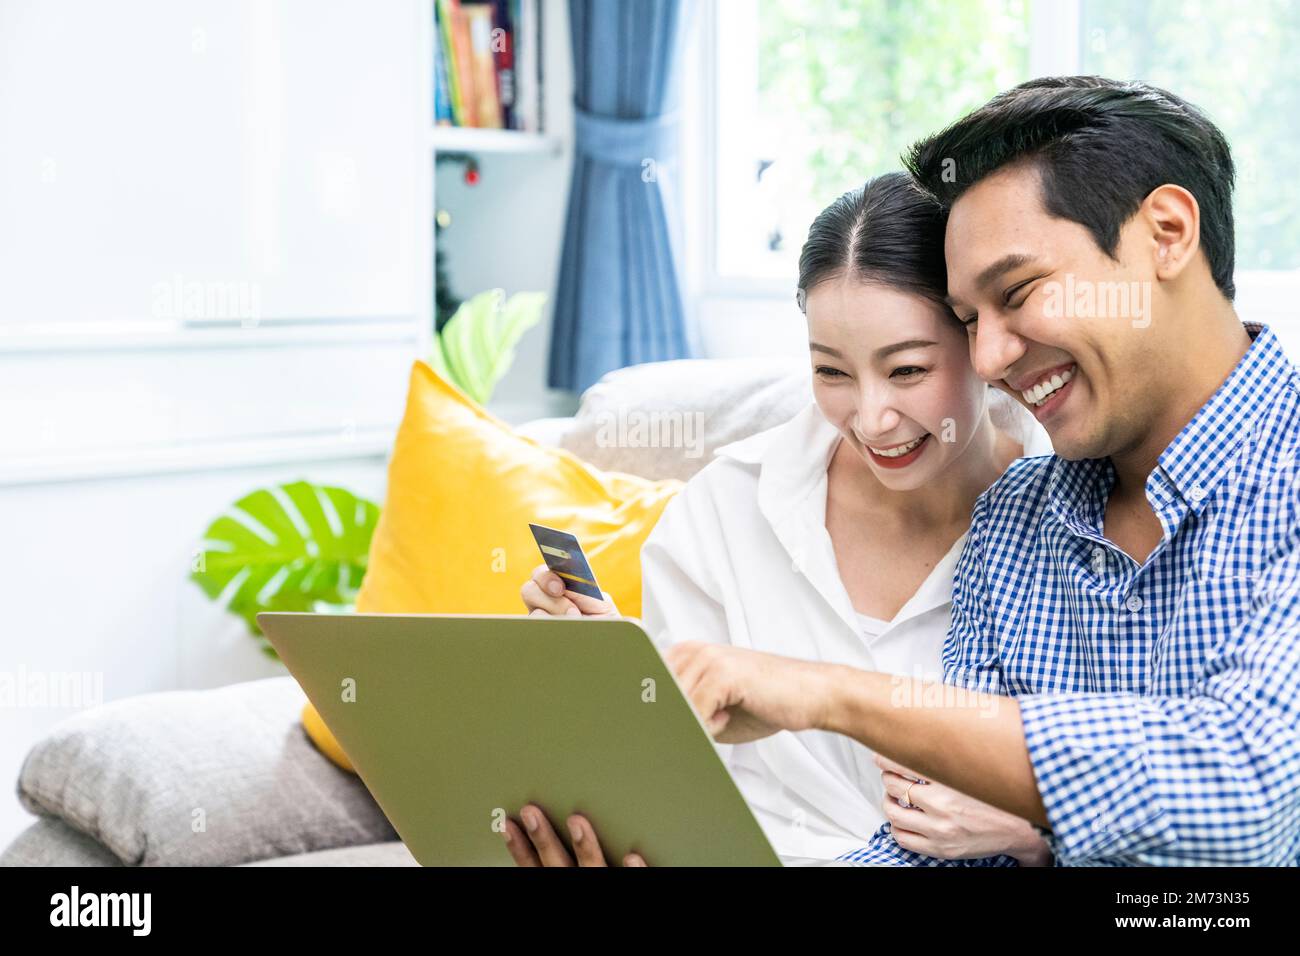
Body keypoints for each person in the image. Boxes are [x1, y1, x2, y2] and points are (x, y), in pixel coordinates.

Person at [664, 76, 1300, 866]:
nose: (991, 358)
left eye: (1019, 291)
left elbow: (1246, 798)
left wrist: (826, 694)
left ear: (1166, 234)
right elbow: (929, 844)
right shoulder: (1016, 518)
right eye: (968, 321)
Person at [504, 172, 1054, 867]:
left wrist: (1032, 843)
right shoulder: (726, 505)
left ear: (981, 340)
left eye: (908, 370)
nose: (872, 417)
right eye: (832, 372)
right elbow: (675, 769)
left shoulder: (1070, 524)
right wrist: (613, 677)